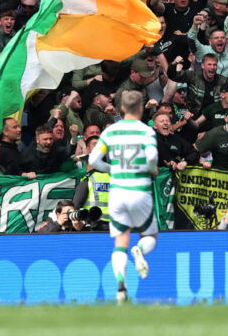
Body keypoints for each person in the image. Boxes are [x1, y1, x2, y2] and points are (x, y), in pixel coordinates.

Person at [88, 91, 159, 305]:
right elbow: (152, 158)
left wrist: (112, 169)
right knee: (150, 236)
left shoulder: (110, 133)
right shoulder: (146, 131)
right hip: (139, 191)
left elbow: (93, 159)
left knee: (120, 243)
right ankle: (140, 250)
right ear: (140, 108)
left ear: (121, 109)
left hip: (117, 193)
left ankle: (121, 286)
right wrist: (150, 169)